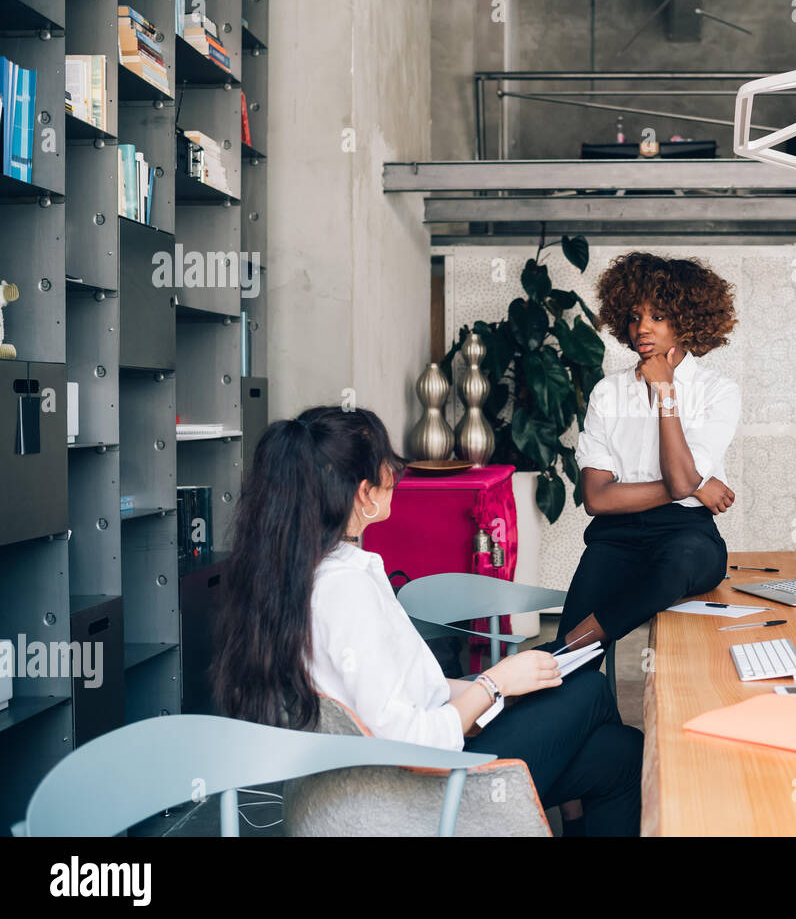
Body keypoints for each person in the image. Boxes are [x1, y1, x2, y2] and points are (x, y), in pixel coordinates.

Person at [210, 405, 642, 836]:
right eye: (387, 463)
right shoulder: (346, 590)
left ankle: (574, 812)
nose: (395, 473)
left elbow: (403, 695)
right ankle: (571, 812)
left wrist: (493, 683)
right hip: (410, 797)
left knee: (618, 752)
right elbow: (409, 740)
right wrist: (495, 686)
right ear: (364, 492)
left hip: (353, 785)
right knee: (588, 690)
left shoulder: (294, 572)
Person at [556, 252, 741, 652]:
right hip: (616, 536)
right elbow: (597, 498)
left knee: (673, 567)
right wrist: (698, 487)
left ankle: (573, 645)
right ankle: (575, 672)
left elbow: (680, 481)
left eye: (657, 316)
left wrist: (664, 393)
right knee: (572, 672)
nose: (643, 328)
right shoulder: (608, 391)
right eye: (635, 316)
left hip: (687, 535)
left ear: (685, 319)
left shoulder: (718, 392)